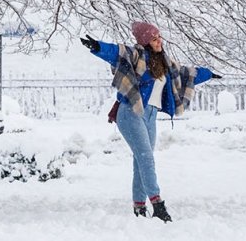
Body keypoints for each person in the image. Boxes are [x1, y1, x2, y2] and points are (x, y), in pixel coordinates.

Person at [81, 20, 220, 222]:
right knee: (146, 158)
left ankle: (139, 207)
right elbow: (117, 52)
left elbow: (185, 73)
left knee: (141, 160)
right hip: (131, 112)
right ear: (146, 41)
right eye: (154, 39)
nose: (158, 41)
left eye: (159, 37)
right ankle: (158, 205)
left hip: (151, 115)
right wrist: (98, 47)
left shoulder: (165, 63)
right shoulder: (137, 56)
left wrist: (208, 74)